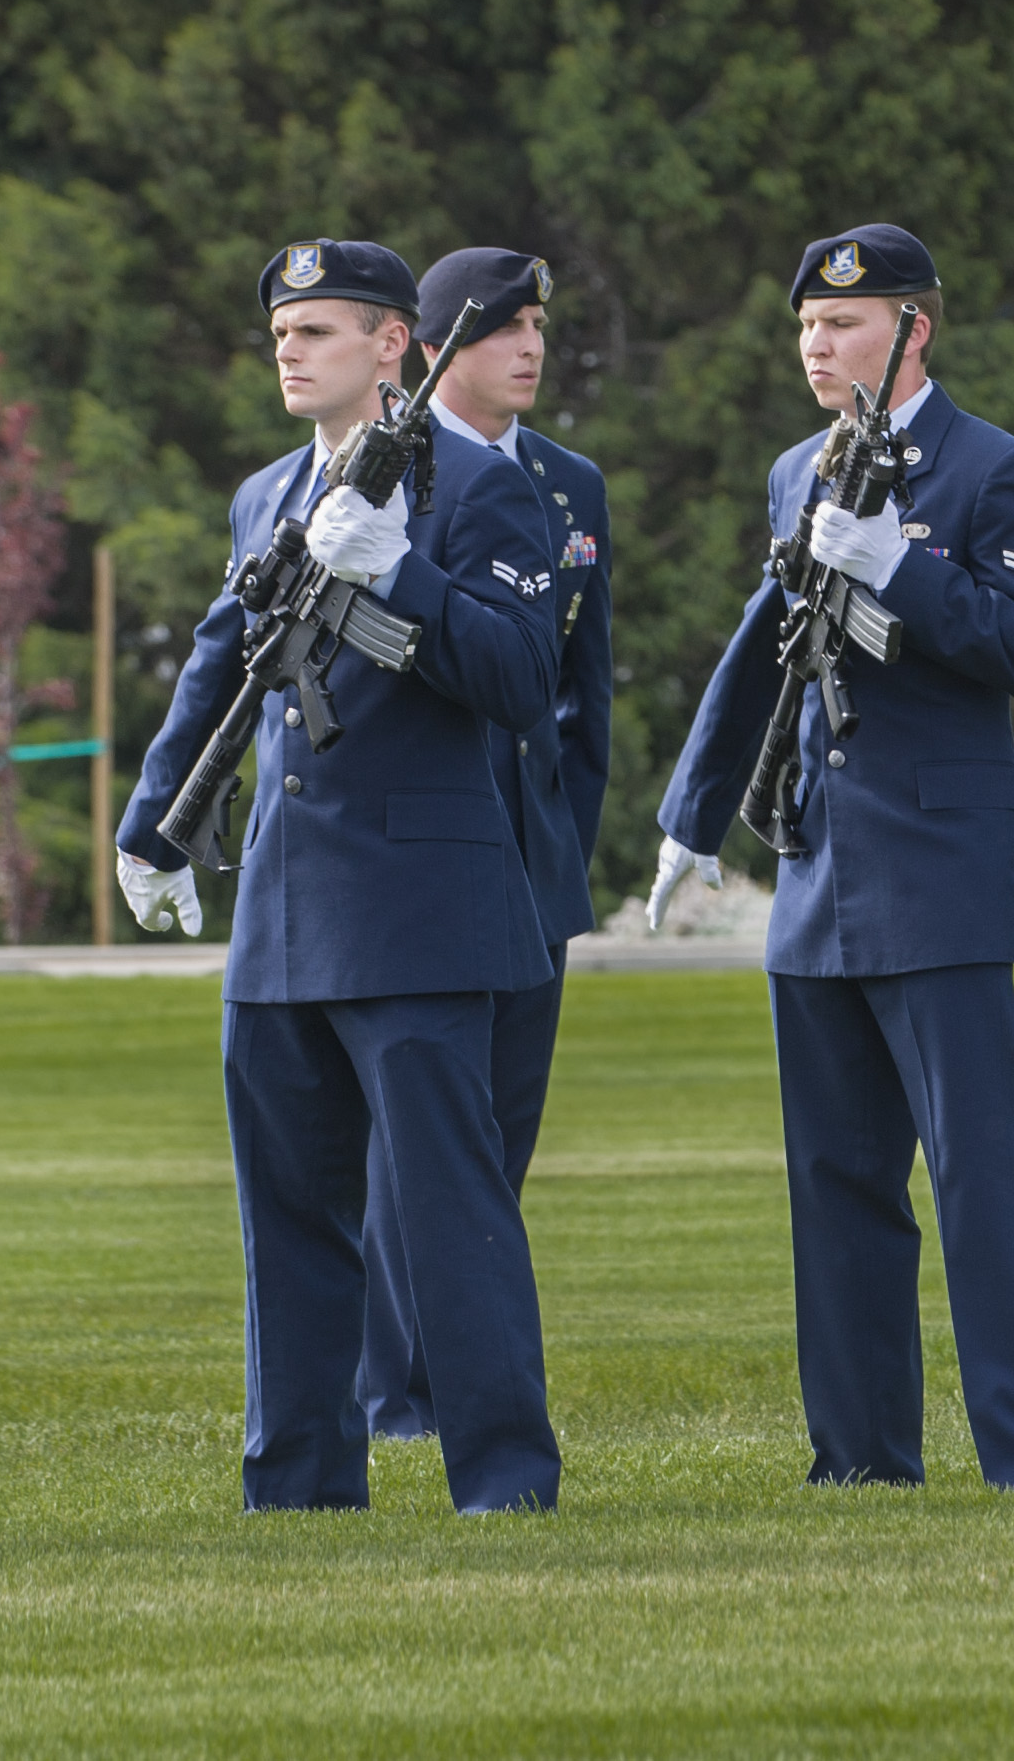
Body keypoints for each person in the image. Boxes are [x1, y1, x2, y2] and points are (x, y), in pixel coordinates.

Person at [114, 238, 566, 1511]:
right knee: (289, 1216)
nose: (289, 350)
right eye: (280, 332)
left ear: (392, 343)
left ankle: (503, 1475)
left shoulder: (478, 490)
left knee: (450, 1214)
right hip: (285, 901)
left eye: (316, 330)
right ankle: (301, 1479)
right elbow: (220, 661)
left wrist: (398, 572)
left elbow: (524, 680)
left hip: (420, 903)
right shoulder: (268, 492)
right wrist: (152, 825)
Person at [647, 223, 1014, 1490]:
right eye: (805, 325)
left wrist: (902, 571)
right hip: (821, 873)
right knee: (836, 1187)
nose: (815, 343)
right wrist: (693, 811)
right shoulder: (800, 470)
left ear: (912, 331)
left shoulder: (995, 469)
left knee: (979, 1186)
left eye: (841, 322)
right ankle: (860, 1457)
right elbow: (764, 640)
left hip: (940, 874)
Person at [349, 245, 617, 1442]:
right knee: (415, 1142)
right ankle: (395, 1389)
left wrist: (566, 847)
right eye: (504, 328)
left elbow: (581, 694)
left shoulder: (569, 483)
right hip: (422, 854)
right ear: (436, 347)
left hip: (529, 853)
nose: (530, 348)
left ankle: (440, 1370)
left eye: (538, 329)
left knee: (500, 1135)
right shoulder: (388, 470)